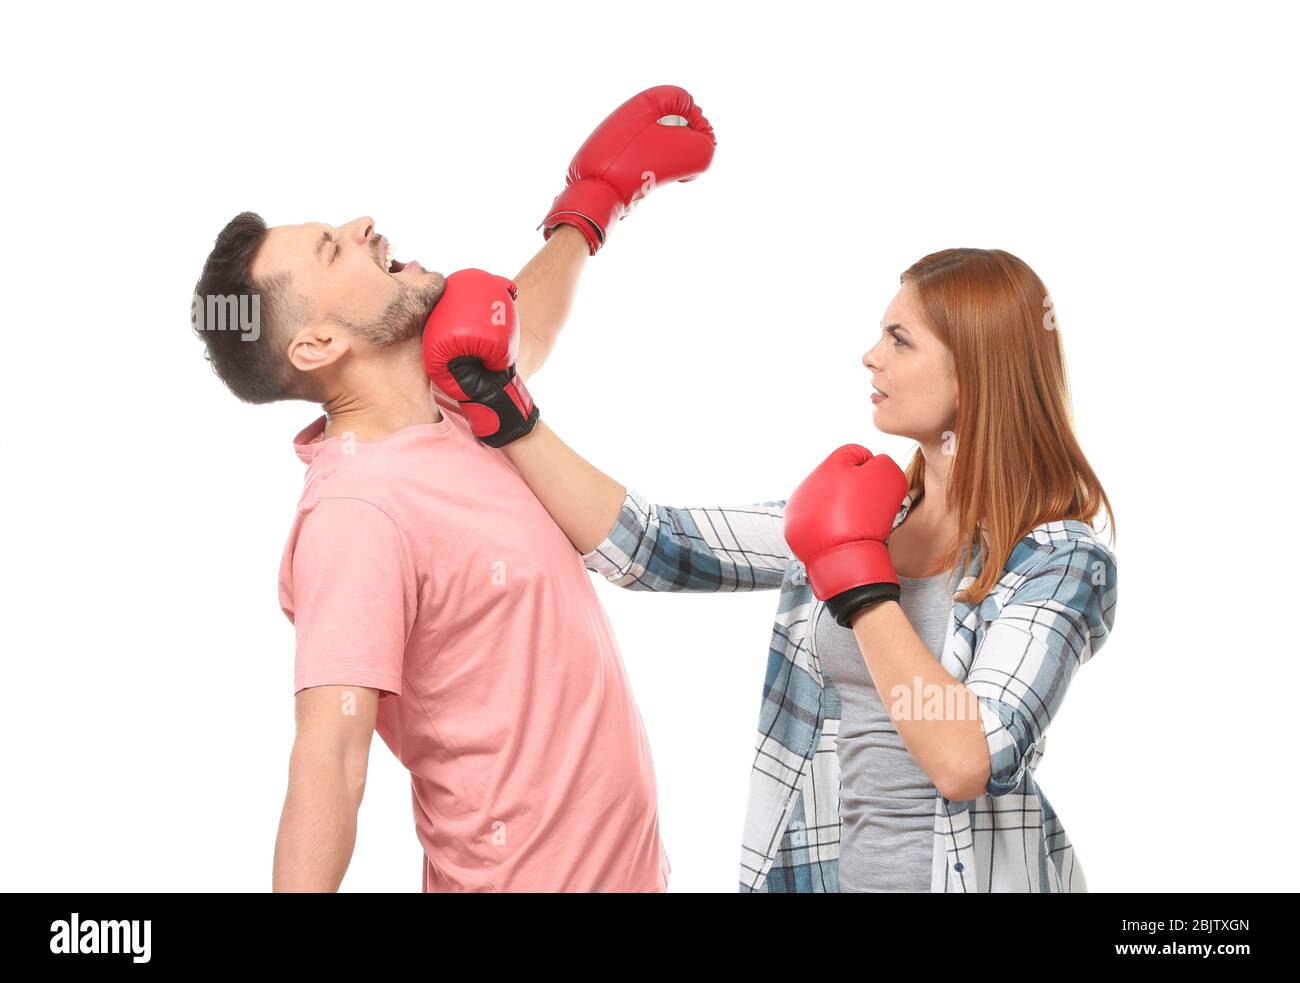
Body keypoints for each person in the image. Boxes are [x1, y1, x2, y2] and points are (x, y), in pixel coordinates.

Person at [423, 244, 1119, 893]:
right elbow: (655, 546)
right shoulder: (869, 515)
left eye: (900, 340)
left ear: (977, 370)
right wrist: (507, 411)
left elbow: (968, 759)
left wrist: (859, 582)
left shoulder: (1058, 558)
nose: (870, 356)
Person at [188, 85, 716, 891]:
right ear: (319, 341)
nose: (363, 223)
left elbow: (524, 319)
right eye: (333, 248)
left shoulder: (461, 400)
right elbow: (331, 757)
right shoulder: (356, 513)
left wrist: (592, 204)